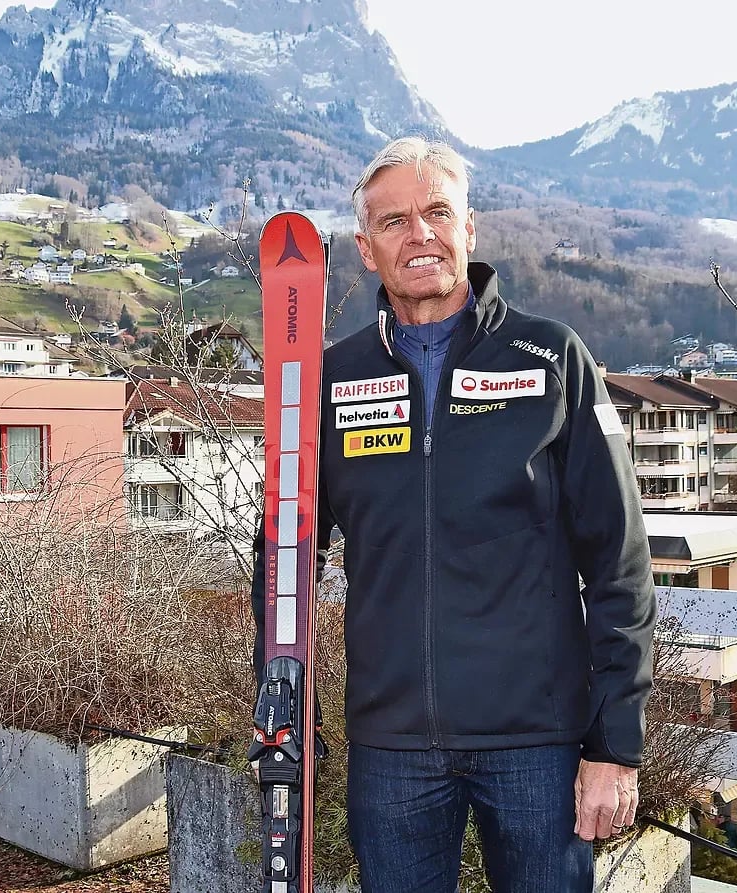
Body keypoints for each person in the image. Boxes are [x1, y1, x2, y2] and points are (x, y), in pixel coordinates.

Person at [252, 136, 657, 893]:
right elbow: (285, 553)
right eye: (395, 220)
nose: (421, 234)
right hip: (392, 746)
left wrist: (615, 745)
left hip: (538, 745)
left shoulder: (551, 361)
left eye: (439, 212)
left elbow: (620, 565)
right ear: (367, 249)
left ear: (470, 230)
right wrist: (286, 714)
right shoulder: (331, 379)